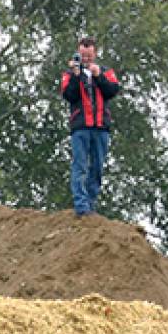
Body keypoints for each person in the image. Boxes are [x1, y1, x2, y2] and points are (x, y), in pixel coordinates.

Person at [58, 36, 122, 216]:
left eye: (89, 55)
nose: (85, 59)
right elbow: (68, 95)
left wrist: (98, 76)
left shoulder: (105, 71)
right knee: (80, 166)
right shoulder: (69, 75)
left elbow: (113, 91)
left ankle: (91, 203)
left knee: (97, 167)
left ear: (95, 54)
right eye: (82, 55)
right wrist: (77, 76)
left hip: (101, 126)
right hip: (81, 126)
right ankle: (81, 205)